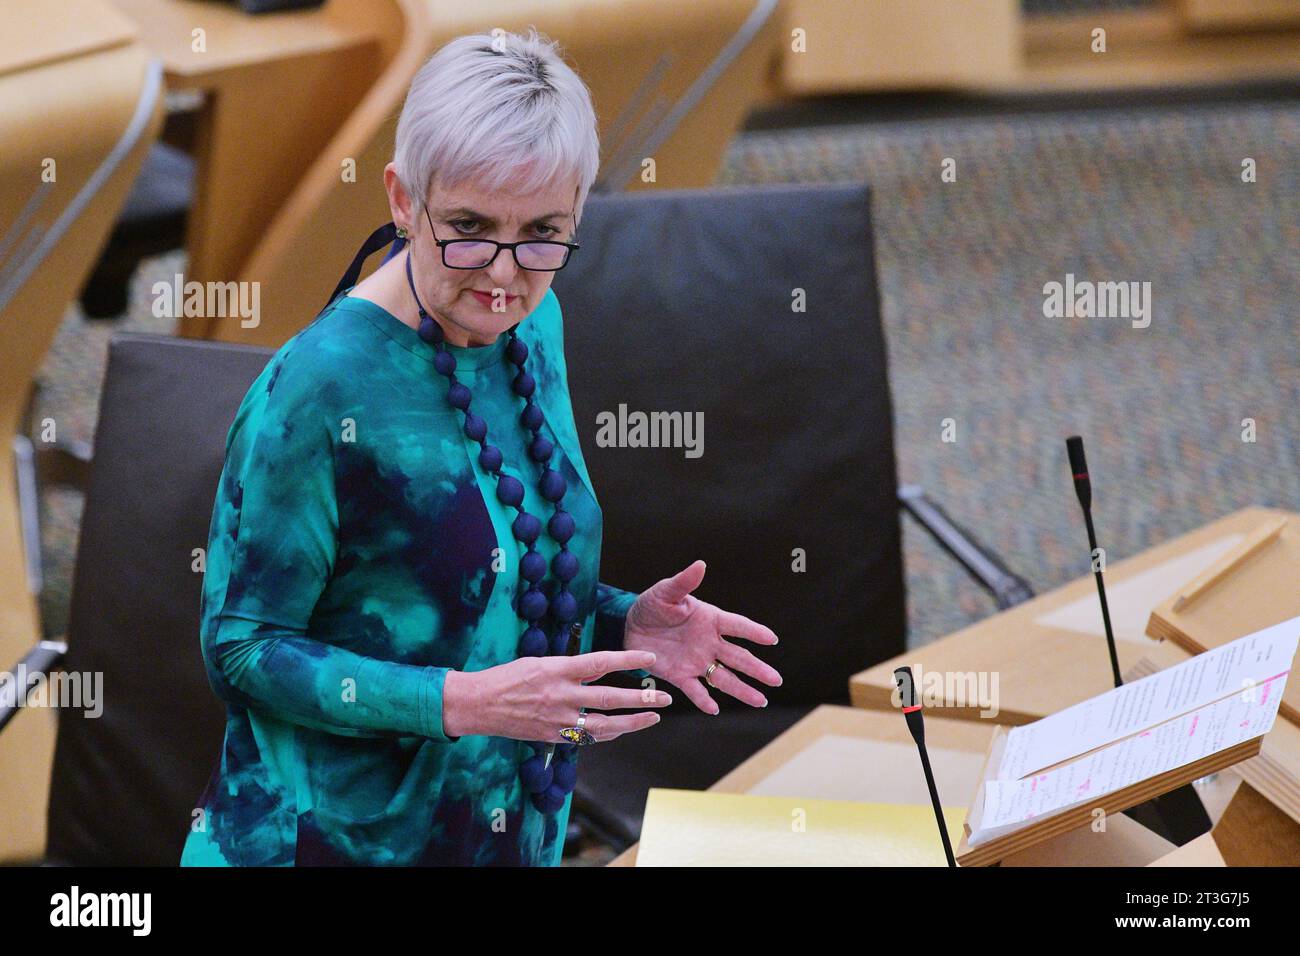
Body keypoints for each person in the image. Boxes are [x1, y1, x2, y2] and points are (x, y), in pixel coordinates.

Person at [181, 27, 781, 867]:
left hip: (497, 830)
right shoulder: (319, 388)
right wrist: (460, 702)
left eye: (543, 232)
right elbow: (243, 648)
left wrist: (615, 617)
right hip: (327, 843)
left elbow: (486, 564)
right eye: (468, 226)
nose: (503, 273)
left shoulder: (534, 324)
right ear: (401, 198)